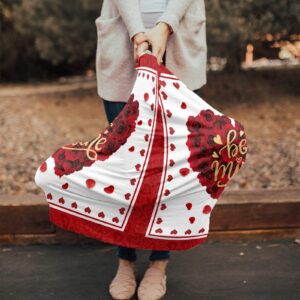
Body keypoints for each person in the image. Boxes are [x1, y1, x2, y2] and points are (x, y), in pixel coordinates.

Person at [95, 1, 207, 299]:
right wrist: (138, 34)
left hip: (179, 39)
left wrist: (164, 25)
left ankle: (159, 261)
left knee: (172, 163)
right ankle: (125, 258)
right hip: (123, 38)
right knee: (123, 162)